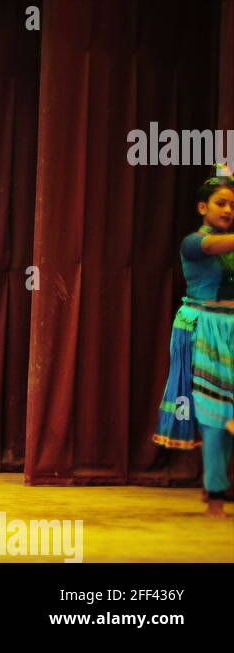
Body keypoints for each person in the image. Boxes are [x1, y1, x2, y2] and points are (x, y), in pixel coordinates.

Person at [152, 166, 234, 518]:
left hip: (231, 328)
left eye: (233, 205)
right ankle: (215, 493)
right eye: (221, 203)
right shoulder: (195, 242)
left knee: (229, 415)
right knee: (216, 414)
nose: (228, 210)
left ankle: (214, 485)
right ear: (203, 208)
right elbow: (218, 245)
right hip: (205, 330)